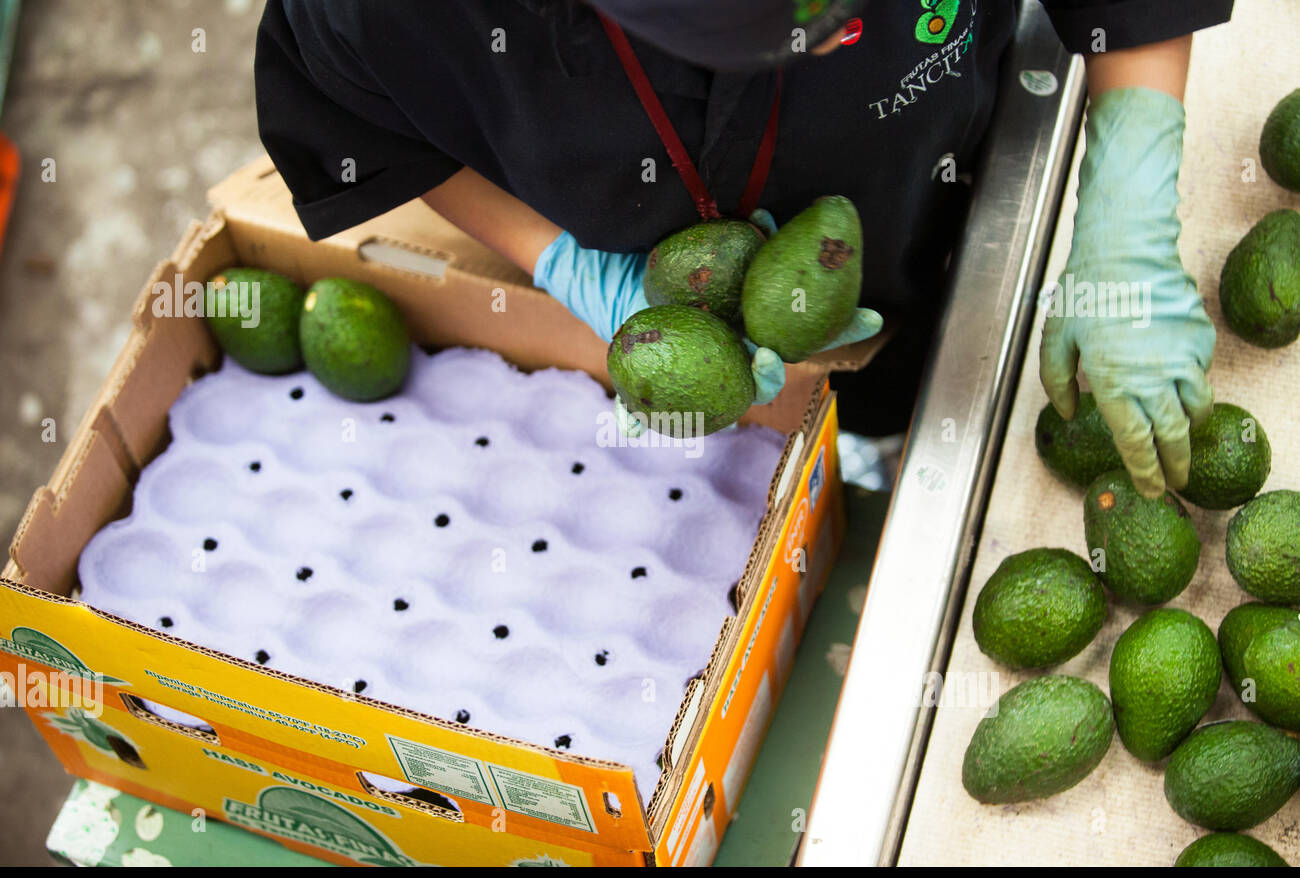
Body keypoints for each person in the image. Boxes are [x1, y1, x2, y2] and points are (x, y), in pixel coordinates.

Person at [255, 0, 1233, 497]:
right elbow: (356, 119)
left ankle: (885, 426)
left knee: (919, 334)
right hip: (678, 290)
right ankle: (863, 441)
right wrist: (557, 259)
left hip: (935, 179)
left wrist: (1126, 211)